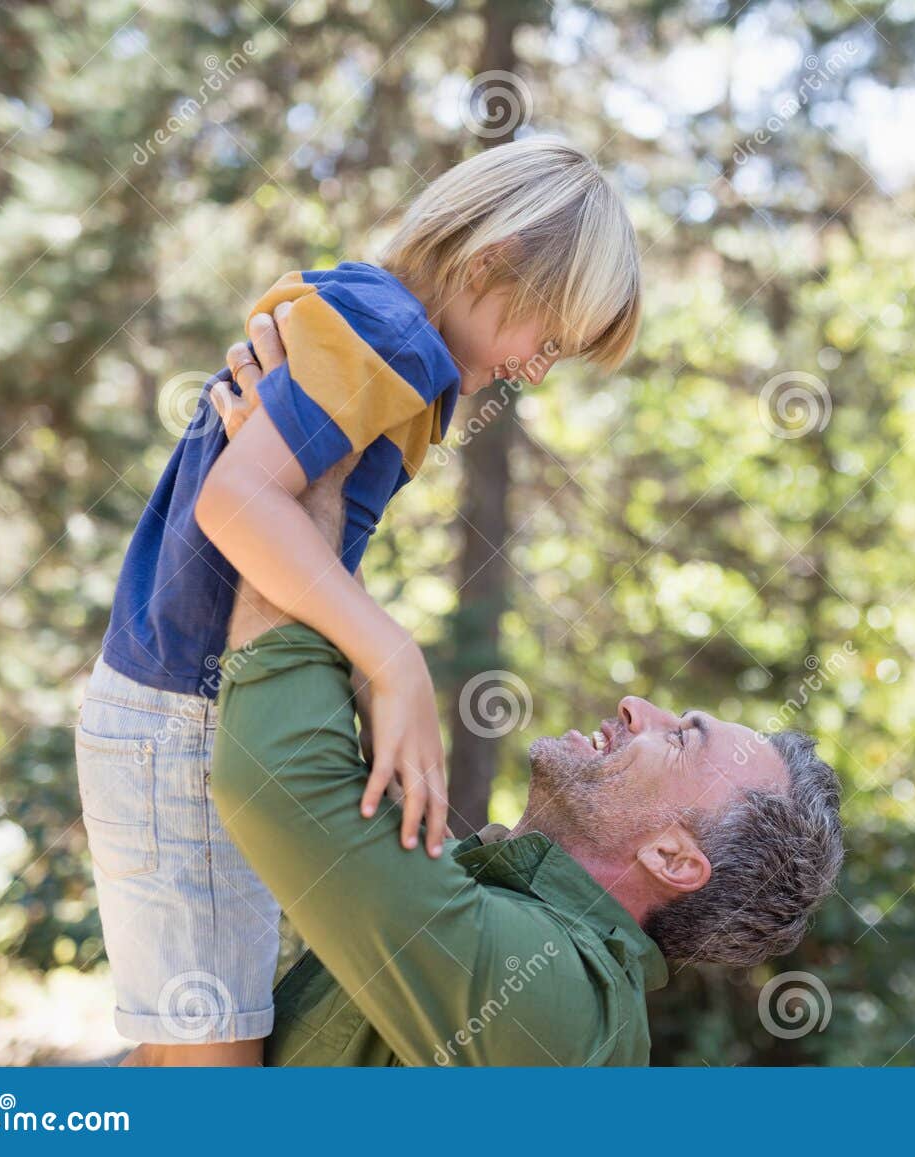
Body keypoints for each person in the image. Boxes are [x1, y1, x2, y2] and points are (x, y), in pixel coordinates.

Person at [75, 137, 642, 1065]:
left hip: (176, 711)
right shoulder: (393, 336)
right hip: (184, 714)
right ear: (490, 261)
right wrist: (390, 657)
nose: (539, 368)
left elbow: (308, 535)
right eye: (547, 336)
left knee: (188, 1039)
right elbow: (240, 502)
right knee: (216, 1060)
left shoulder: (388, 337)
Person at [207, 449, 845, 1065]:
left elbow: (277, 777)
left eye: (679, 738)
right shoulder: (502, 903)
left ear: (672, 858)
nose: (634, 706)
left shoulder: (555, 1010)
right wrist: (321, 487)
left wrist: (294, 463)